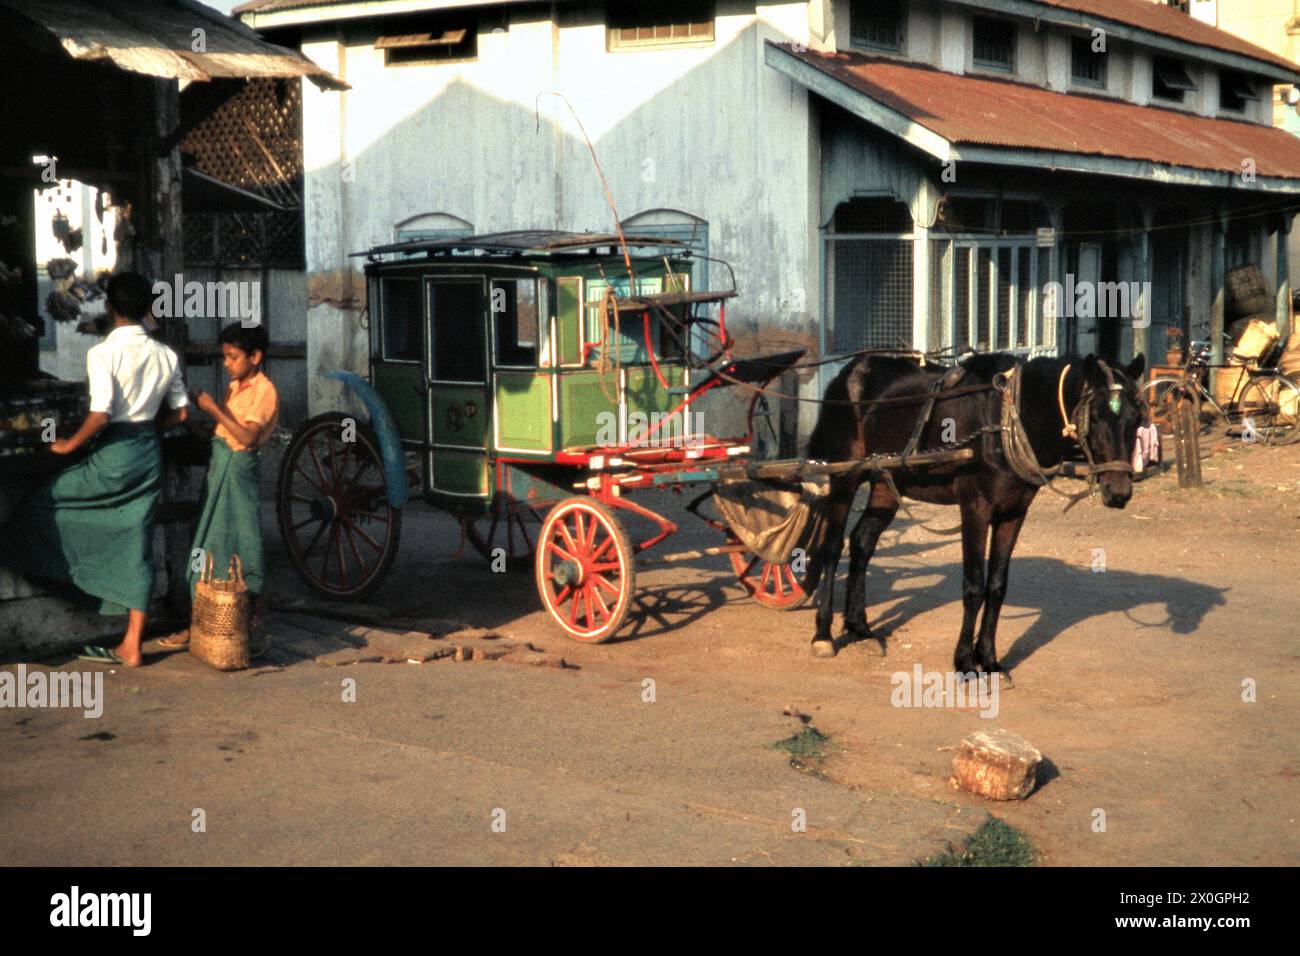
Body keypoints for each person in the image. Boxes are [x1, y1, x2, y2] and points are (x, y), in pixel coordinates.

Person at [7, 271, 189, 666]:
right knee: (135, 542)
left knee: (44, 504)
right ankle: (132, 644)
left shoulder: (103, 353)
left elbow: (101, 415)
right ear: (147, 309)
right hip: (147, 455)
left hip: (113, 457)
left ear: (109, 308)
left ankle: (82, 591)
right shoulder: (167, 355)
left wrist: (68, 444)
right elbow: (182, 413)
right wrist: (146, 429)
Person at [160, 322, 278, 647]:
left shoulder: (264, 391)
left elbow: (247, 436)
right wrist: (192, 420)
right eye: (224, 357)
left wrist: (214, 409)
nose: (226, 363)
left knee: (243, 545)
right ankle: (198, 622)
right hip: (219, 469)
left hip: (239, 475)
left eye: (233, 357)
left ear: (255, 356)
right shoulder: (236, 387)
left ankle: (252, 623)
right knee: (205, 545)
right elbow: (221, 435)